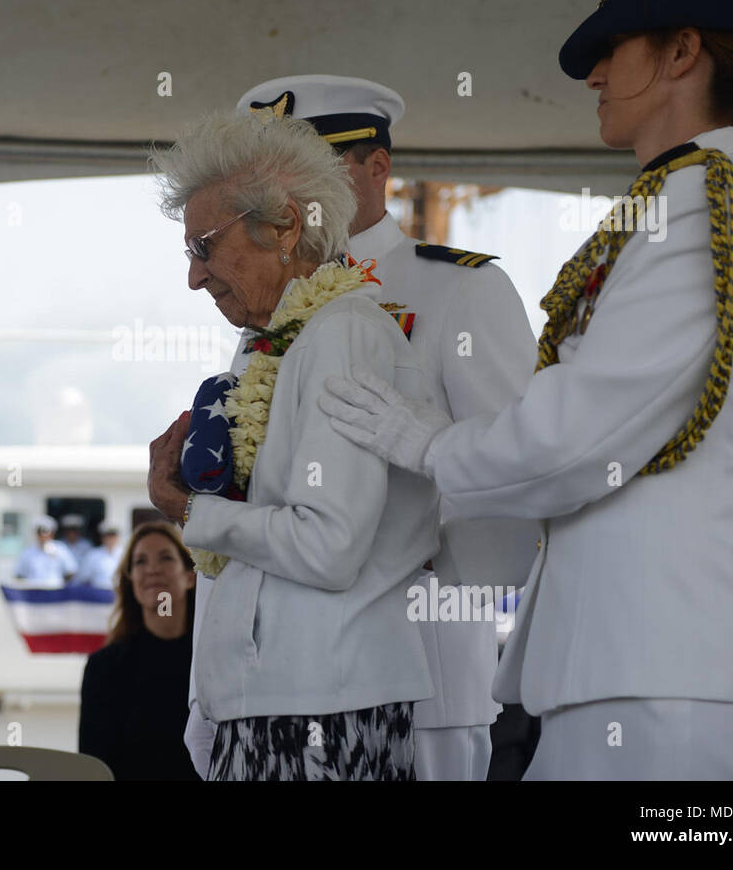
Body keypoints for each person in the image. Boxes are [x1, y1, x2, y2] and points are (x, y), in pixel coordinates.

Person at [321, 0, 733, 780]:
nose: (591, 77)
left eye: (611, 50)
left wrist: (426, 442)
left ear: (682, 52)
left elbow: (582, 439)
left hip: (668, 670)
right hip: (644, 662)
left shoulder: (704, 205)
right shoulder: (683, 197)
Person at [193, 74, 542, 781]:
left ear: (376, 168)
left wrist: (399, 574)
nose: (279, 191)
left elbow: (517, 481)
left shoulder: (459, 289)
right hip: (262, 678)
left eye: (303, 166)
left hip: (414, 678)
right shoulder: (272, 297)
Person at [146, 110, 438, 780]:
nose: (195, 277)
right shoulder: (280, 339)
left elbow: (328, 545)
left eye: (204, 247)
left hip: (320, 708)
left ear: (284, 227)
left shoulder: (341, 336)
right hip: (279, 697)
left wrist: (187, 509)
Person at [78, 522, 200, 780]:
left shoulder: (213, 661)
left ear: (190, 575)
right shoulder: (105, 667)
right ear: (131, 578)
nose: (152, 569)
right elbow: (94, 765)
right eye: (140, 562)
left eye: (165, 558)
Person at [14, 516, 77, 585]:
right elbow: (19, 574)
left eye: (47, 533)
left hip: (55, 591)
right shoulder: (28, 552)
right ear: (37, 534)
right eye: (40, 533)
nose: (44, 536)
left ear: (52, 534)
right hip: (34, 591)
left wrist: (62, 584)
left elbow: (71, 570)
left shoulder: (61, 549)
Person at [73, 521, 124, 589]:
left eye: (113, 536)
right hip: (98, 594)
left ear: (118, 537)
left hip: (119, 593)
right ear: (102, 537)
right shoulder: (93, 555)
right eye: (107, 536)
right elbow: (83, 578)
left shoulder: (124, 554)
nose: (110, 539)